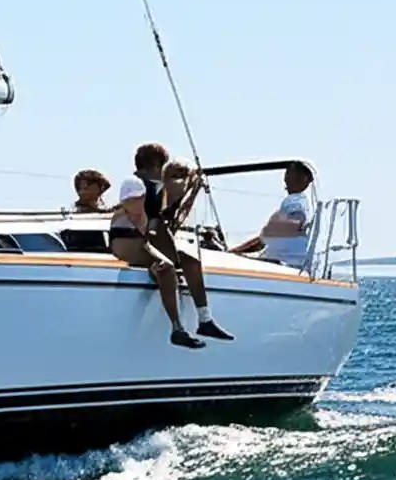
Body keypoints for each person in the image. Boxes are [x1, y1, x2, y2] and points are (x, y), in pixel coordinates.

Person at [109, 143, 234, 349]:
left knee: (190, 261)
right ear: (158, 165)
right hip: (130, 241)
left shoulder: (153, 188)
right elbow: (148, 222)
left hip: (143, 240)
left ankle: (205, 319)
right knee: (166, 268)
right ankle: (177, 328)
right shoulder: (140, 186)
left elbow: (162, 218)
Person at [230, 161, 315, 268]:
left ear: (303, 179)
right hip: (289, 265)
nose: (285, 178)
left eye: (289, 174)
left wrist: (232, 252)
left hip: (285, 265)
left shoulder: (295, 201)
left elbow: (263, 240)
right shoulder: (301, 202)